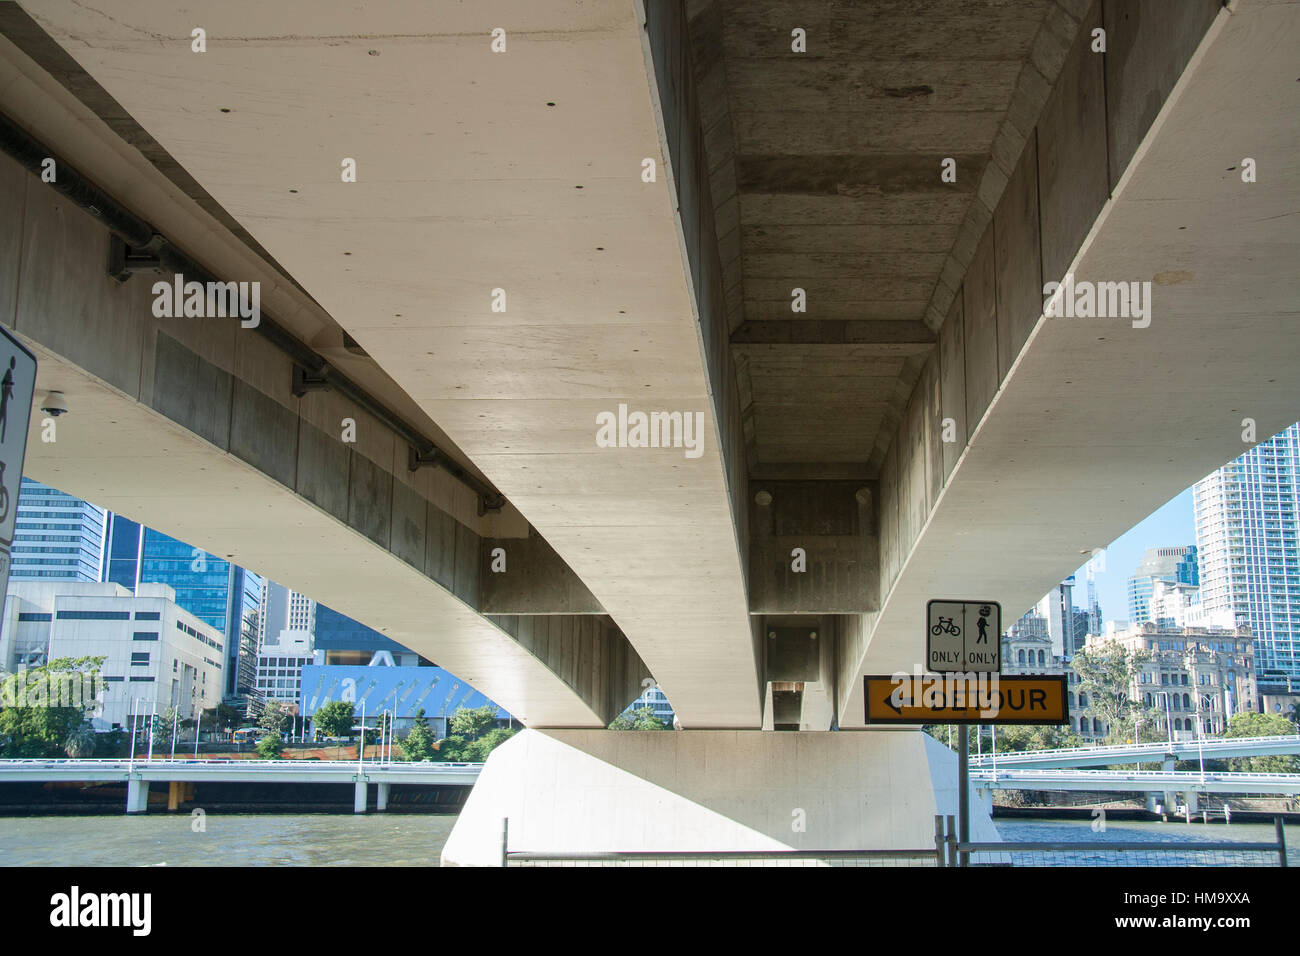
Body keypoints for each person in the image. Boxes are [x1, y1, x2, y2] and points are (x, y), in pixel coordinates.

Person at [0, 356, 14, 443]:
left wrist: (11, 394)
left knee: (4, 419)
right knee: (4, 419)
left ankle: (2, 440)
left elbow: (9, 387)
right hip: (4, 400)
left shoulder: (10, 374)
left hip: (5, 399)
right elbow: (3, 383)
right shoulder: (8, 372)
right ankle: (2, 440)